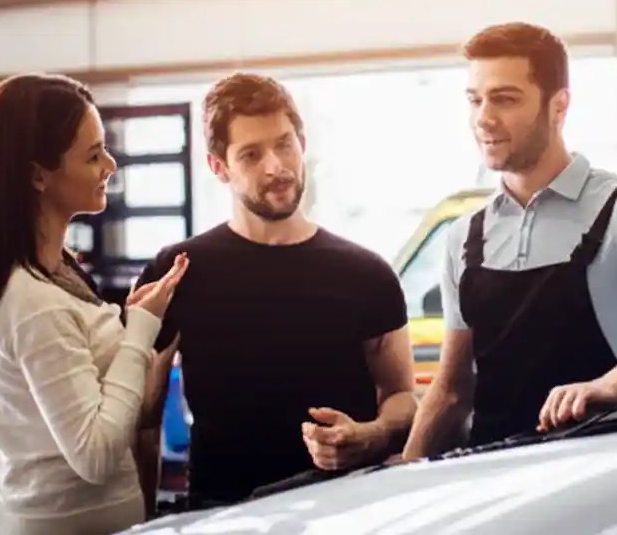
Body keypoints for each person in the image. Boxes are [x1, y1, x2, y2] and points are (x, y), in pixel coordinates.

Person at [402, 22, 617, 457]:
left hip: (596, 475)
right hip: (490, 483)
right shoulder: (464, 237)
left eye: (505, 99)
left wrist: (611, 385)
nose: (484, 118)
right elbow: (451, 393)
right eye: (475, 100)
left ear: (559, 106)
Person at [134, 73, 416, 512]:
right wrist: (143, 519)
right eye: (251, 154)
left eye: (284, 144)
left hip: (347, 512)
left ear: (302, 142)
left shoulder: (367, 274)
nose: (275, 166)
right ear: (218, 167)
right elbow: (143, 418)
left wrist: (371, 436)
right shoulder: (176, 272)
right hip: (222, 515)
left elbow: (401, 396)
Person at [0, 74, 190, 535]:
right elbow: (95, 454)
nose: (111, 165)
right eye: (93, 155)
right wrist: (139, 327)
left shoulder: (56, 272)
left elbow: (103, 403)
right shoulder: (33, 300)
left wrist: (133, 330)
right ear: (38, 174)